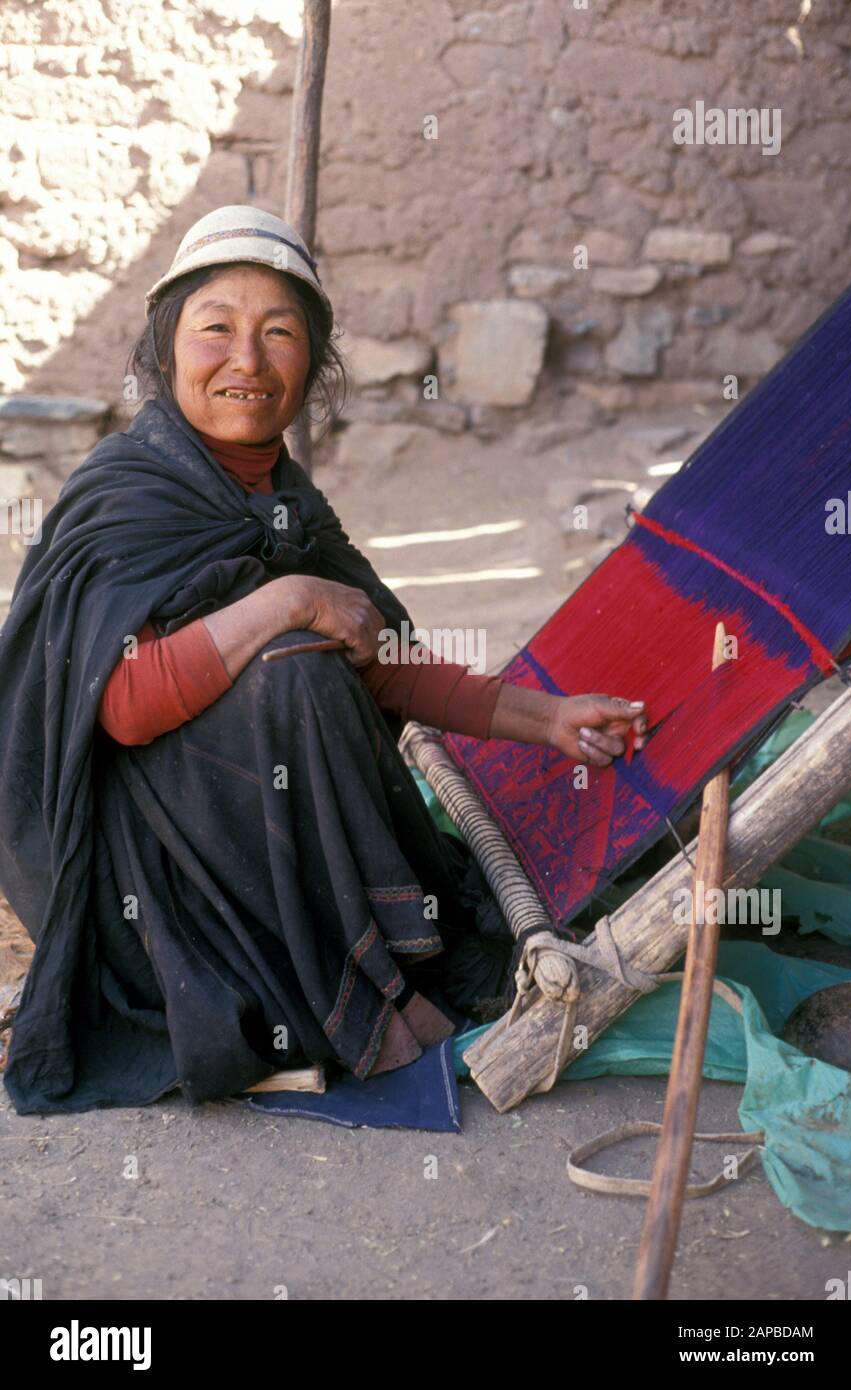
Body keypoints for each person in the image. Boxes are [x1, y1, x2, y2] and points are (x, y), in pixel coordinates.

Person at [0, 205, 646, 1114]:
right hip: (143, 880)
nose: (248, 362)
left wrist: (548, 719)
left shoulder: (286, 504)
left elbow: (375, 660)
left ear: (317, 362)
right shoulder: (129, 493)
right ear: (163, 350)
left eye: (280, 335)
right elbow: (128, 706)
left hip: (238, 833)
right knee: (293, 667)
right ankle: (329, 990)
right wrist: (288, 599)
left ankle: (360, 964)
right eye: (215, 329)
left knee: (308, 663)